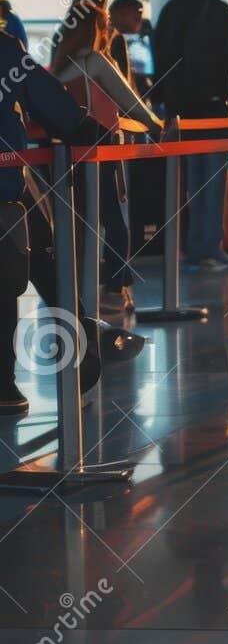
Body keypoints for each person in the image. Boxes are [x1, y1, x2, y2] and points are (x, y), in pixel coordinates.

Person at [1, 27, 103, 413]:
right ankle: (5, 385)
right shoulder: (5, 49)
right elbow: (51, 105)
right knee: (17, 273)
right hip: (4, 191)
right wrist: (81, 127)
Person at [50, 0, 162, 317]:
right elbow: (128, 99)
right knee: (114, 218)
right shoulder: (97, 61)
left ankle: (76, 286)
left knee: (80, 219)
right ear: (96, 27)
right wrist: (155, 124)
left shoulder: (59, 64)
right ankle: (115, 288)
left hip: (68, 149)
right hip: (103, 144)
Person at [150, 0, 228, 272]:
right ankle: (208, 247)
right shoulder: (221, 13)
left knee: (192, 178)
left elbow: (160, 56)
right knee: (214, 177)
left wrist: (165, 100)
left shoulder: (171, 10)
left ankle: (196, 248)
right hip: (214, 108)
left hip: (181, 110)